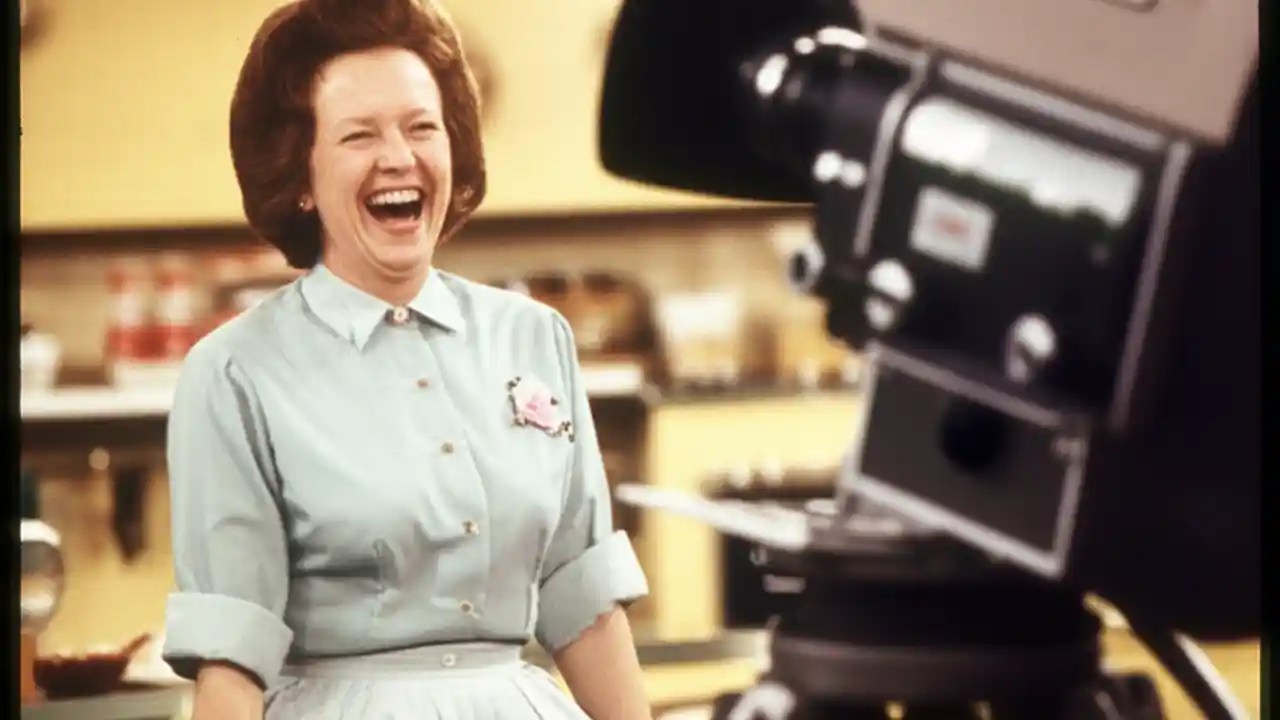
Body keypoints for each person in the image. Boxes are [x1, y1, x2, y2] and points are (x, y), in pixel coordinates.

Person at [160, 0, 652, 717]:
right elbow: (232, 656)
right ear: (300, 175)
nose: (399, 156)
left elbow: (584, 602)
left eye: (422, 127)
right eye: (359, 135)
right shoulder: (234, 372)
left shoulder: (536, 337)